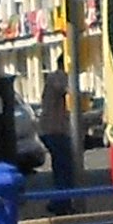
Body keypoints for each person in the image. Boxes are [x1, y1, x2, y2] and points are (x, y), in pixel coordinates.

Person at [39, 58, 76, 215]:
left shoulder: (52, 78)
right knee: (64, 168)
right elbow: (63, 87)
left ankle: (60, 201)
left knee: (61, 167)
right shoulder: (58, 76)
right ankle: (60, 202)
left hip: (51, 129)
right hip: (55, 130)